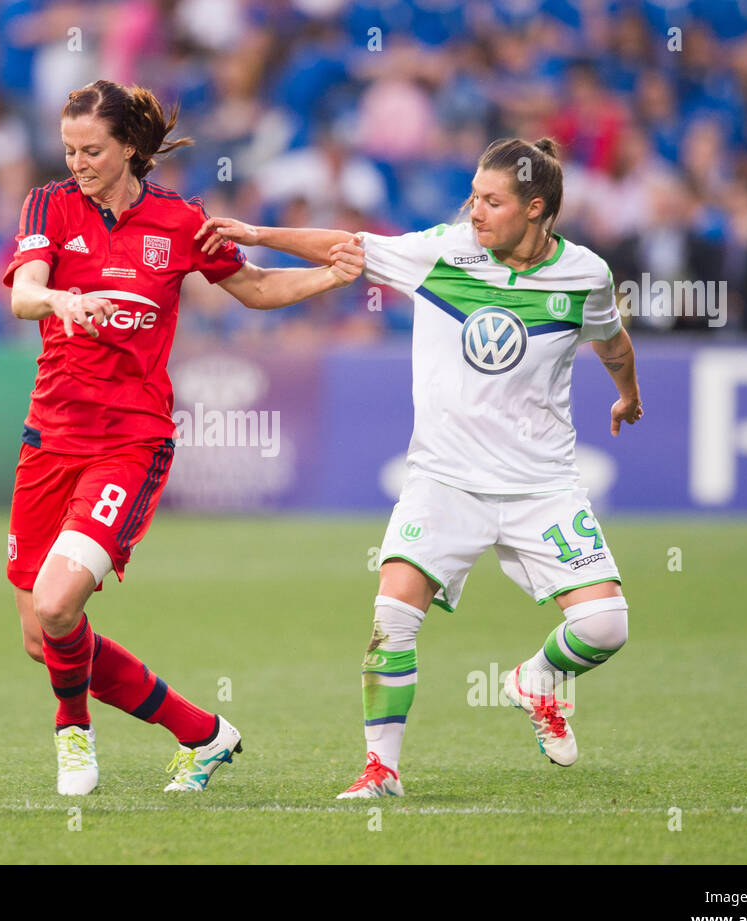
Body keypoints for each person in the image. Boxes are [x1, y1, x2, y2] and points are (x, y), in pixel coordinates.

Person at [198, 137, 643, 797]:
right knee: (394, 611)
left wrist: (628, 393)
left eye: (492, 201)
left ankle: (537, 681)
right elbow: (347, 244)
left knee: (606, 626)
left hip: (542, 483)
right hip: (445, 478)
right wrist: (257, 232)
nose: (477, 211)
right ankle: (383, 769)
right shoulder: (445, 251)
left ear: (536, 208)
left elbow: (612, 340)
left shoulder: (585, 275)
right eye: (473, 196)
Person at [2, 79, 362, 795]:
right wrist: (63, 299)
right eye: (70, 148)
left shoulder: (179, 222)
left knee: (55, 604)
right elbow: (22, 294)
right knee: (43, 637)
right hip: (49, 439)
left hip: (128, 442)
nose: (78, 161)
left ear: (131, 148)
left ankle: (72, 733)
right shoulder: (48, 204)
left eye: (93, 149)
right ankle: (202, 733)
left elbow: (254, 287)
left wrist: (330, 277)